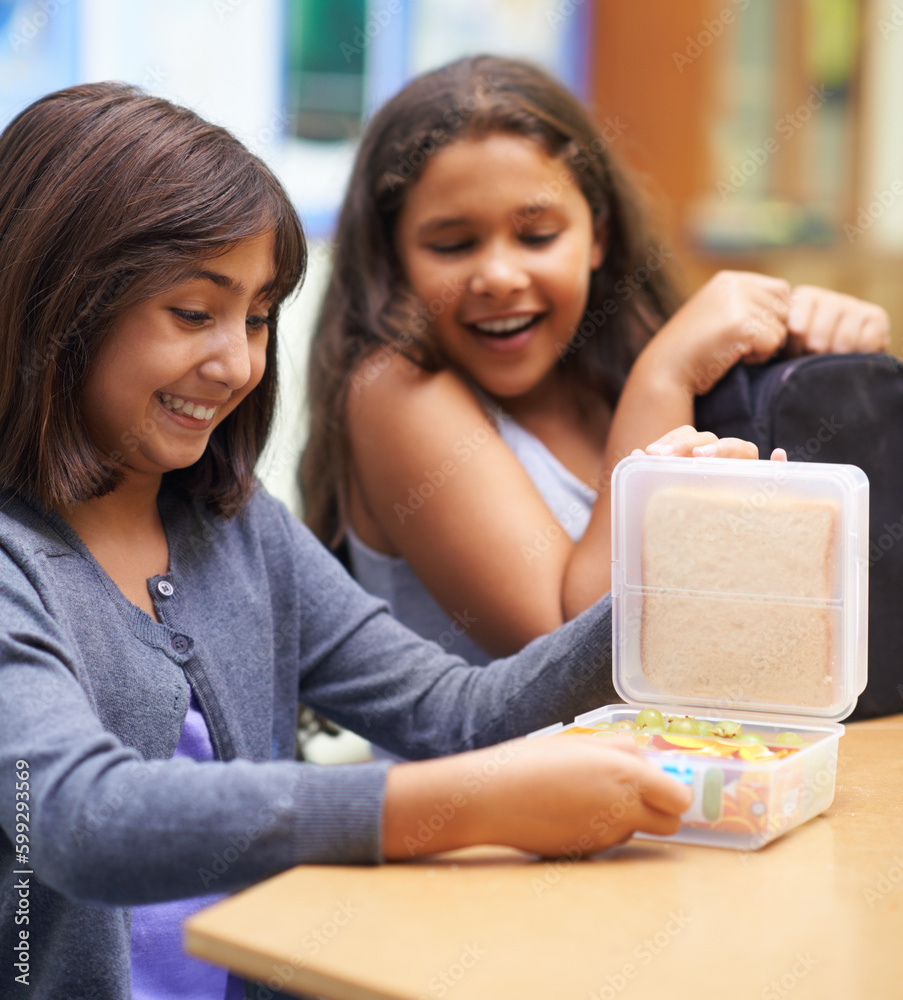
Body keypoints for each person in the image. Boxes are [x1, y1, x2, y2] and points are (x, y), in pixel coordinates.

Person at [0, 83, 775, 1000]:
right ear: (61, 306)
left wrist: (672, 583)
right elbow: (78, 821)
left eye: (256, 317)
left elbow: (458, 714)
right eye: (192, 314)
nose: (238, 365)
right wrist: (469, 806)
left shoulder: (235, 530)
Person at [299, 54, 890, 668]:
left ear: (597, 237)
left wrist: (832, 354)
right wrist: (664, 376)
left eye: (537, 236)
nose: (499, 275)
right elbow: (571, 644)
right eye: (452, 244)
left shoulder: (613, 367)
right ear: (393, 260)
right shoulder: (392, 390)